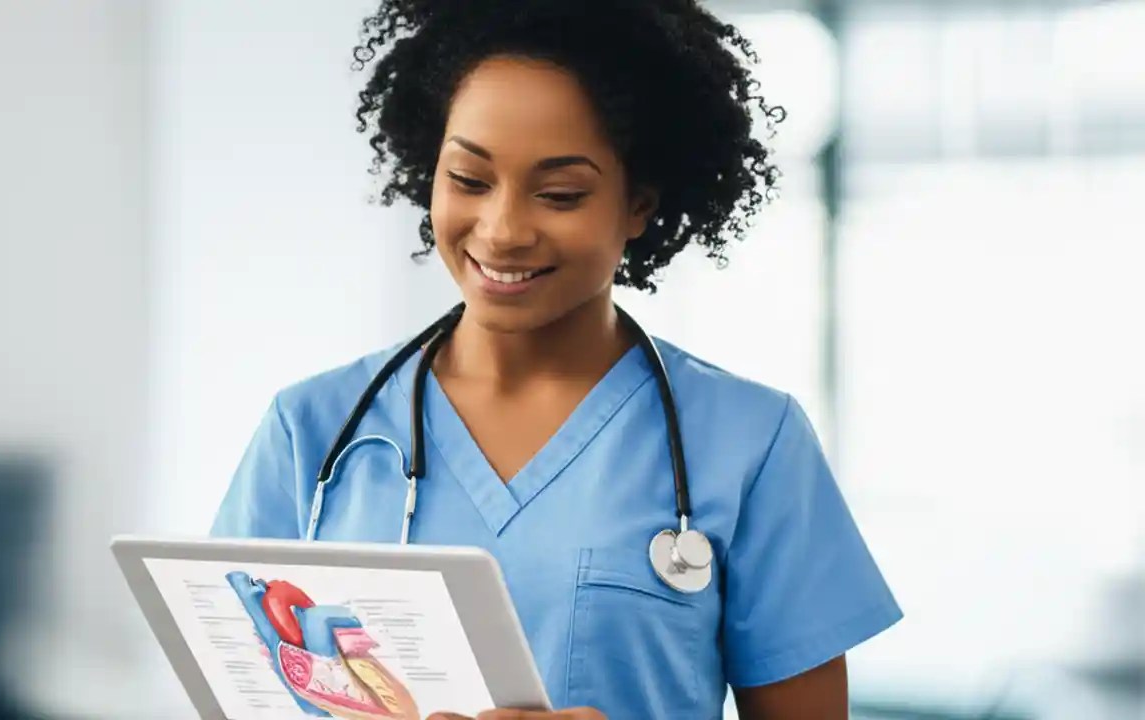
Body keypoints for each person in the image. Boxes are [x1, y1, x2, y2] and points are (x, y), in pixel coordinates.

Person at [210, 1, 903, 718]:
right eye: (469, 181)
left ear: (639, 203)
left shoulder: (750, 443)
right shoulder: (311, 430)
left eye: (560, 194)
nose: (503, 230)